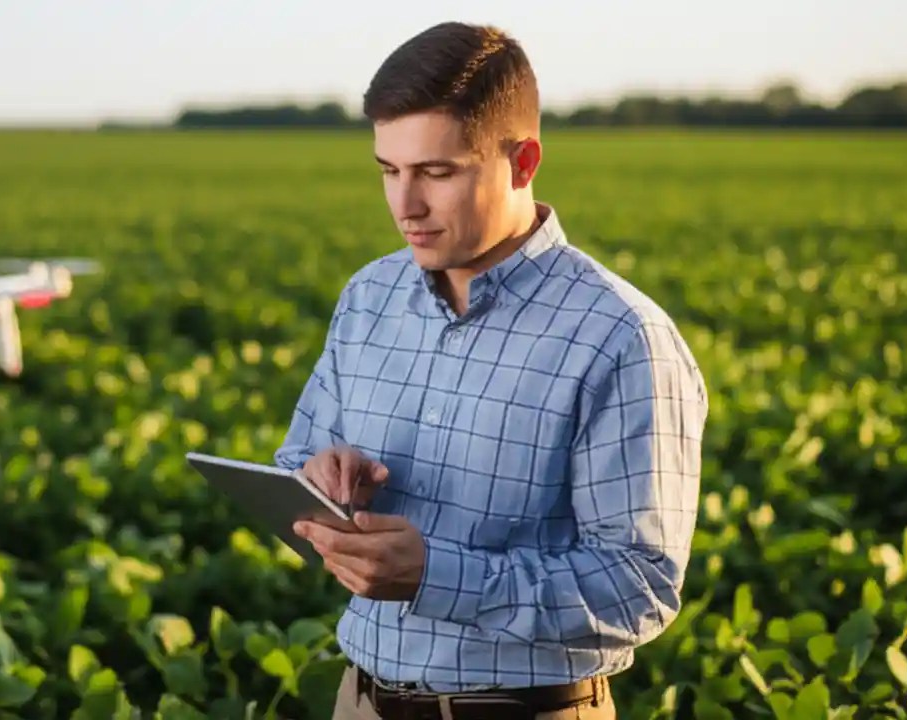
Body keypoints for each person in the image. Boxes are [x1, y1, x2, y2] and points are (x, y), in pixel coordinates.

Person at [273, 20, 709, 720]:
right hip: (358, 700)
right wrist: (319, 481)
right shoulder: (369, 296)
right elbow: (297, 459)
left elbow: (639, 586)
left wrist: (438, 577)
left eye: (436, 173)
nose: (404, 205)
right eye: (389, 171)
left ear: (524, 160)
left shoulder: (620, 337)